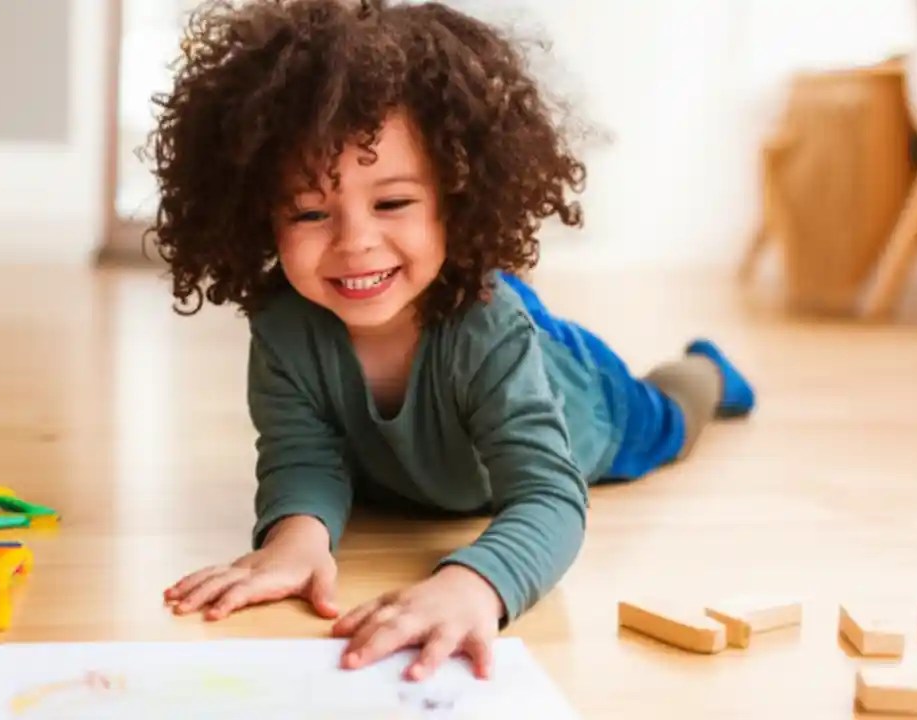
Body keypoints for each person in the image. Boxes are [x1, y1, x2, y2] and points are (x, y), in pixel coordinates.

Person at [153, 0, 755, 682]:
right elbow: (302, 455)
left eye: (393, 202)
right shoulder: (285, 327)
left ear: (457, 196)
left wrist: (476, 583)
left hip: (591, 405)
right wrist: (295, 541)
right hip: (451, 425)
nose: (354, 242)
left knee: (670, 414)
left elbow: (549, 498)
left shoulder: (486, 329)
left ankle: (708, 368)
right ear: (260, 217)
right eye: (312, 212)